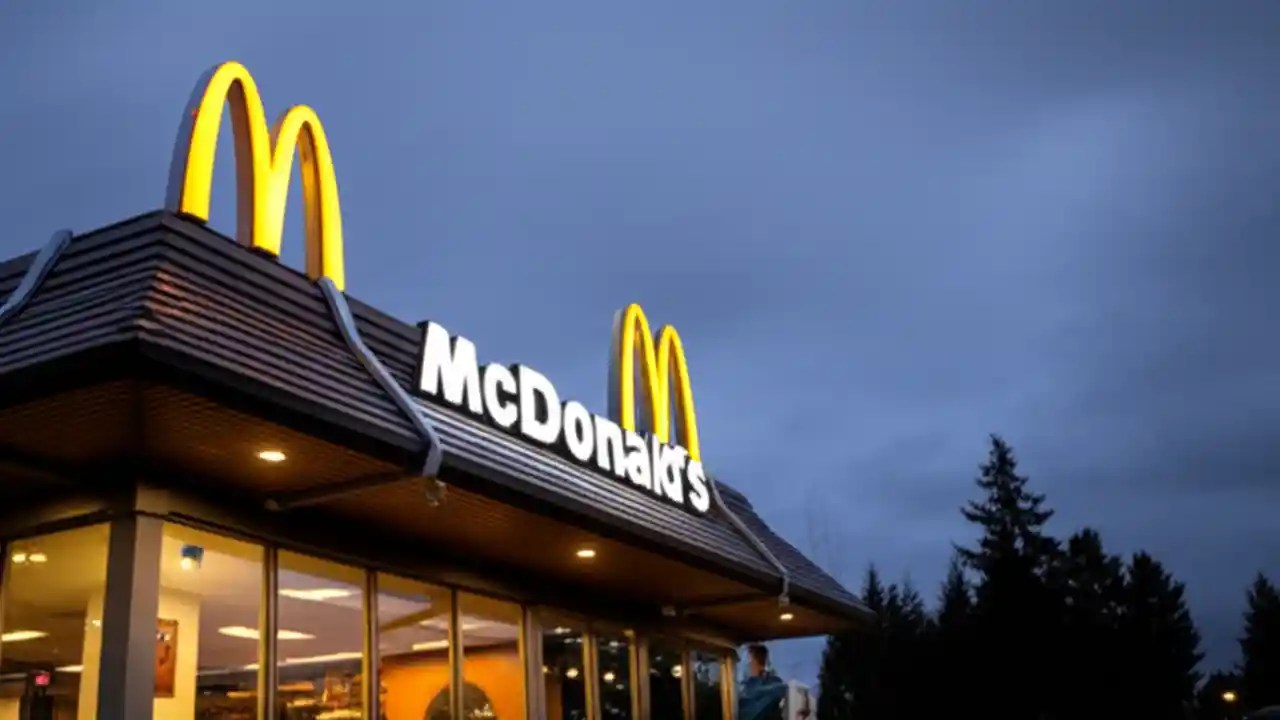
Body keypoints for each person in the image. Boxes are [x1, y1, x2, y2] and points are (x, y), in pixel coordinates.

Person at [738, 644, 788, 720]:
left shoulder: (773, 682)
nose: (747, 664)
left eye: (749, 659)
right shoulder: (745, 687)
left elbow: (781, 689)